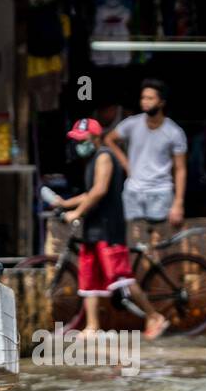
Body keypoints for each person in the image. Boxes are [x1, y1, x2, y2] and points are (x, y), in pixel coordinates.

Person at [53, 119, 169, 340]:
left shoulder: (104, 156)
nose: (79, 144)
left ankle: (154, 316)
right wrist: (65, 203)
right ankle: (92, 326)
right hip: (93, 230)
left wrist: (76, 213)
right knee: (90, 280)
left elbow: (98, 191)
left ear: (96, 138)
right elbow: (89, 193)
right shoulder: (92, 160)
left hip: (108, 229)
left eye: (83, 139)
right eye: (77, 140)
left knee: (121, 277)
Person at [105, 79, 188, 245]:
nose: (145, 102)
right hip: (133, 191)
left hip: (161, 192)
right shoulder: (132, 124)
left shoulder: (174, 132)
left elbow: (180, 169)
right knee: (132, 241)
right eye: (143, 98)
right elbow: (109, 139)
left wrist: (178, 203)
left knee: (160, 242)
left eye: (150, 98)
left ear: (161, 102)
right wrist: (125, 163)